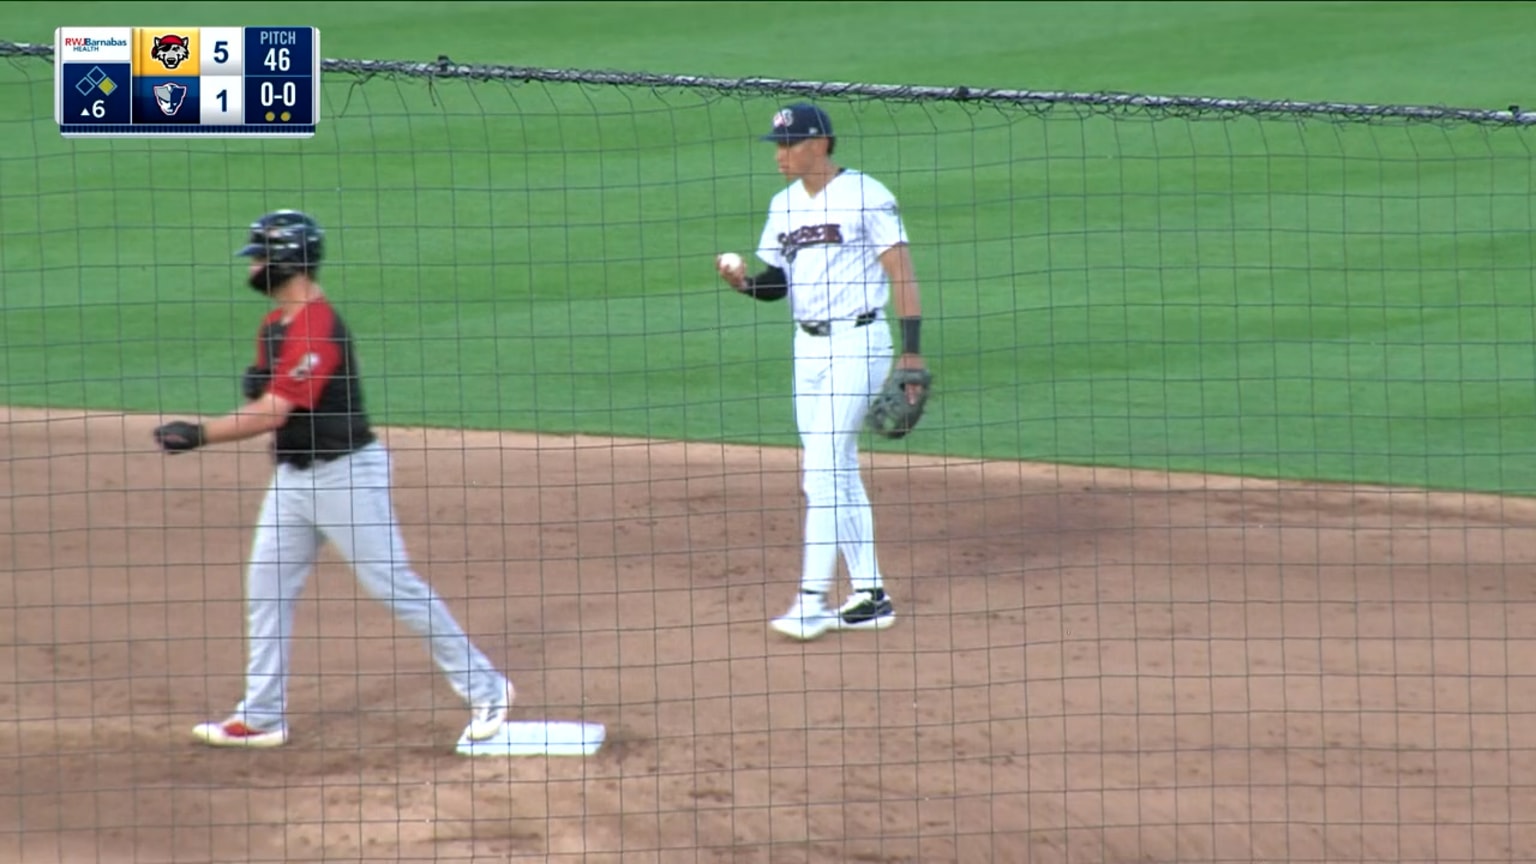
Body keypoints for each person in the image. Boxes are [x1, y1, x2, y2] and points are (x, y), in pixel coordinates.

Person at [153, 210, 515, 748]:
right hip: (294, 481)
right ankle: (262, 714)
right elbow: (274, 401)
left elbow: (273, 413)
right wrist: (258, 387)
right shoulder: (273, 327)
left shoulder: (316, 326)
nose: (251, 266)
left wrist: (201, 434)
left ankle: (487, 688)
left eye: (258, 256)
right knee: (267, 589)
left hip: (346, 477)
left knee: (395, 588)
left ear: (286, 260)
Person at [716, 102, 930, 642]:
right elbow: (778, 284)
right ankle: (871, 594)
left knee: (820, 469)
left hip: (860, 341)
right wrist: (743, 283)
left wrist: (911, 354)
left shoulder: (867, 195)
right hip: (806, 348)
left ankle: (811, 601)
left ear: (819, 144)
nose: (779, 155)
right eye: (777, 146)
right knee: (835, 469)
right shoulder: (783, 205)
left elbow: (902, 272)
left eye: (788, 145)